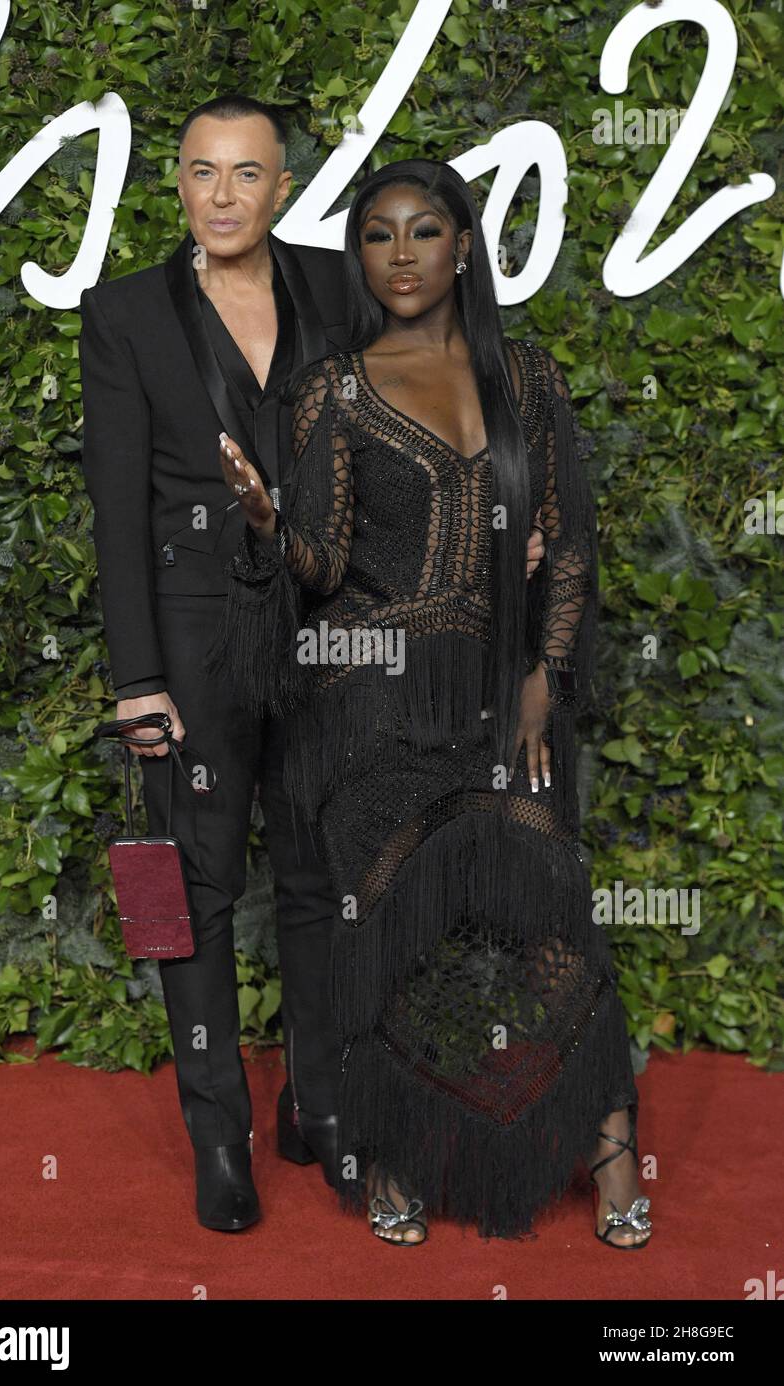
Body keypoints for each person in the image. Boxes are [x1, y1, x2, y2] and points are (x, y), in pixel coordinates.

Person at [79, 100, 549, 1231]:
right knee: (193, 887)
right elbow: (114, 505)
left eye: (248, 174)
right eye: (203, 173)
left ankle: (322, 1107)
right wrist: (137, 678)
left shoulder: (337, 291)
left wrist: (500, 526)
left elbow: (424, 426)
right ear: (179, 187)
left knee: (320, 873)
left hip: (333, 618)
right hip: (193, 632)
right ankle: (219, 1138)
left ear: (282, 188)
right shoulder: (126, 313)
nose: (225, 195)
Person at [210, 158, 653, 1249]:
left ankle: (608, 1155)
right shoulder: (337, 387)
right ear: (358, 257)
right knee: (395, 938)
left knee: (558, 925)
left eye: (422, 231)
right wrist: (266, 523)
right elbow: (319, 564)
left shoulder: (526, 380)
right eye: (376, 236)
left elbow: (569, 550)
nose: (399, 254)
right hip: (368, 705)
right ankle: (395, 1156)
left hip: (497, 699)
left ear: (463, 246)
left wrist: (540, 684)